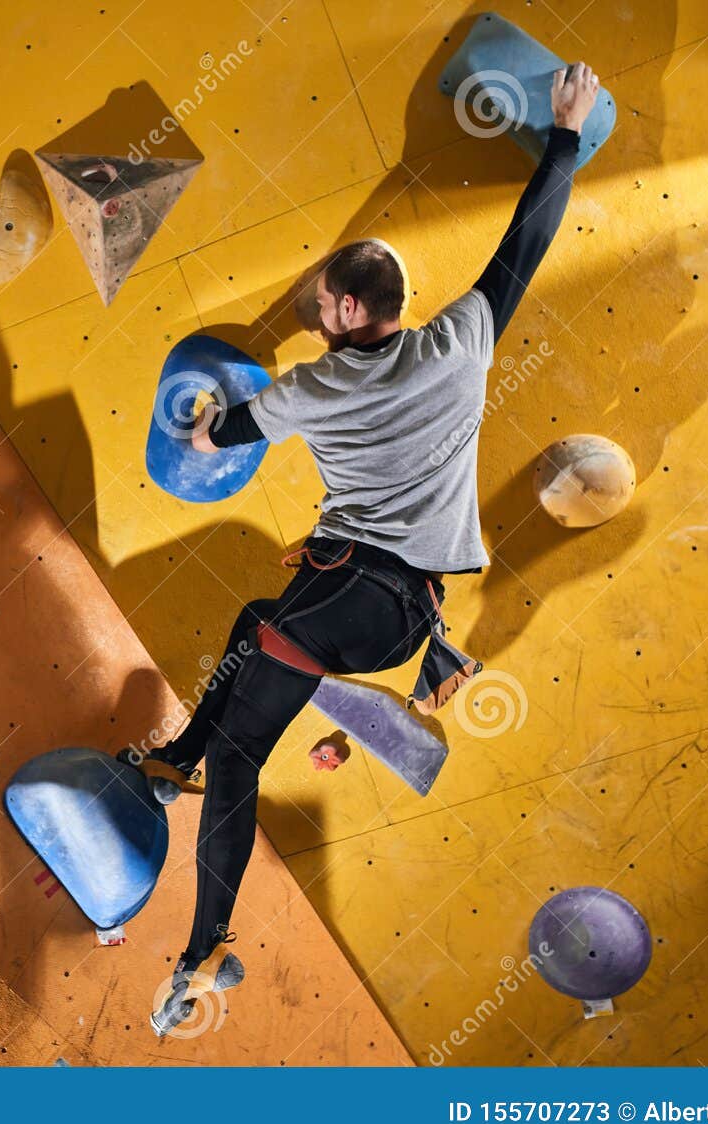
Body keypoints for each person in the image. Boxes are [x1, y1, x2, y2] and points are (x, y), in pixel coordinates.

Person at [131, 63, 603, 1036]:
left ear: (348, 312)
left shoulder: (309, 389)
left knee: (244, 758)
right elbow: (529, 239)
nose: (309, 300)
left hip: (353, 594)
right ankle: (174, 758)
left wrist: (194, 417)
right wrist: (564, 133)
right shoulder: (463, 340)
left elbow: (213, 437)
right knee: (253, 624)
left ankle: (202, 947)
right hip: (400, 609)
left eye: (319, 294)